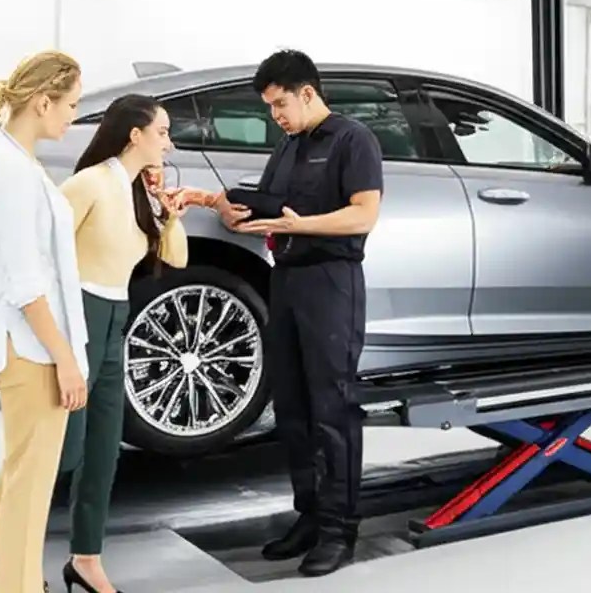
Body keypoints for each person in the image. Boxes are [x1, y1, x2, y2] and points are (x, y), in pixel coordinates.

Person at [214, 49, 384, 577]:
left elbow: (364, 214)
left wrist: (298, 227)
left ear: (307, 92)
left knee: (332, 409)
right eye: (269, 107)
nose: (276, 116)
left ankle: (340, 531)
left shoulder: (353, 140)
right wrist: (215, 201)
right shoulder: (288, 147)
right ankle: (309, 516)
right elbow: (271, 204)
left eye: (280, 104)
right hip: (285, 280)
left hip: (331, 282)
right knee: (291, 408)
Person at [57, 94, 217, 593]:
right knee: (61, 449)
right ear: (135, 135)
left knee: (104, 449)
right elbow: (41, 252)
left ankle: (86, 560)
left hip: (115, 317)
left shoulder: (135, 193)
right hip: (75, 317)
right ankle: (10, 563)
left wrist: (169, 213)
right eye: (163, 132)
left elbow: (177, 260)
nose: (168, 143)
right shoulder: (88, 183)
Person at [0, 50, 91, 593]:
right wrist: (65, 358)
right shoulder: (12, 170)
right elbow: (26, 281)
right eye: (71, 105)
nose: (73, 116)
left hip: (29, 343)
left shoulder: (15, 159)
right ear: (43, 102)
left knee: (20, 477)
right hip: (31, 347)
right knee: (31, 485)